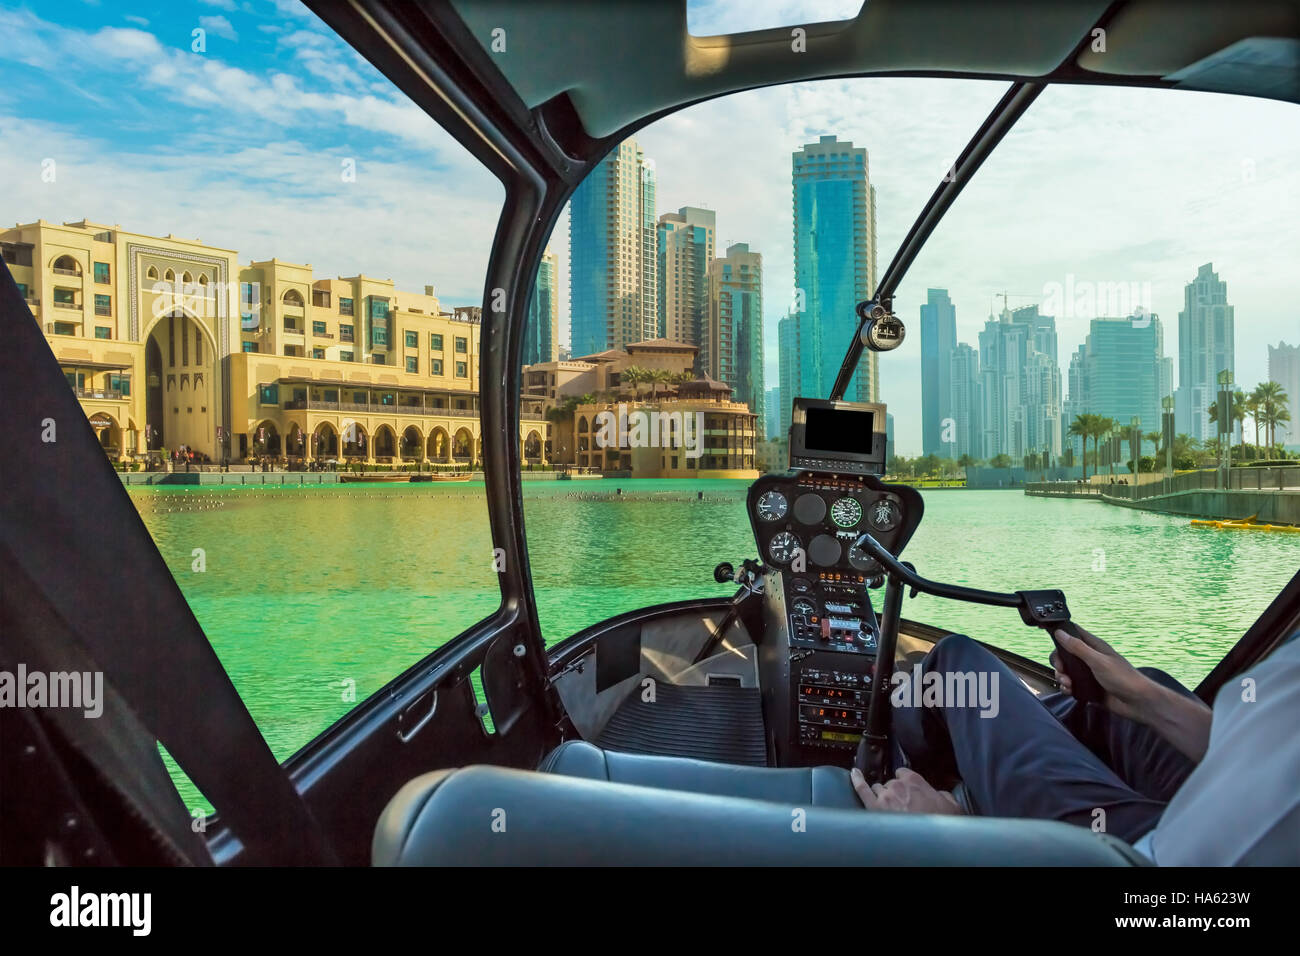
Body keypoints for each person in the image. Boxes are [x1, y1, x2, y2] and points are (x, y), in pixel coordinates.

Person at [851, 626, 1300, 865]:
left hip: (1146, 858)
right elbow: (1271, 750)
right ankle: (996, 764)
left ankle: (915, 738)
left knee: (961, 666)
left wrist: (952, 840)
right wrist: (1144, 698)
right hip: (1226, 805)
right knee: (1129, 696)